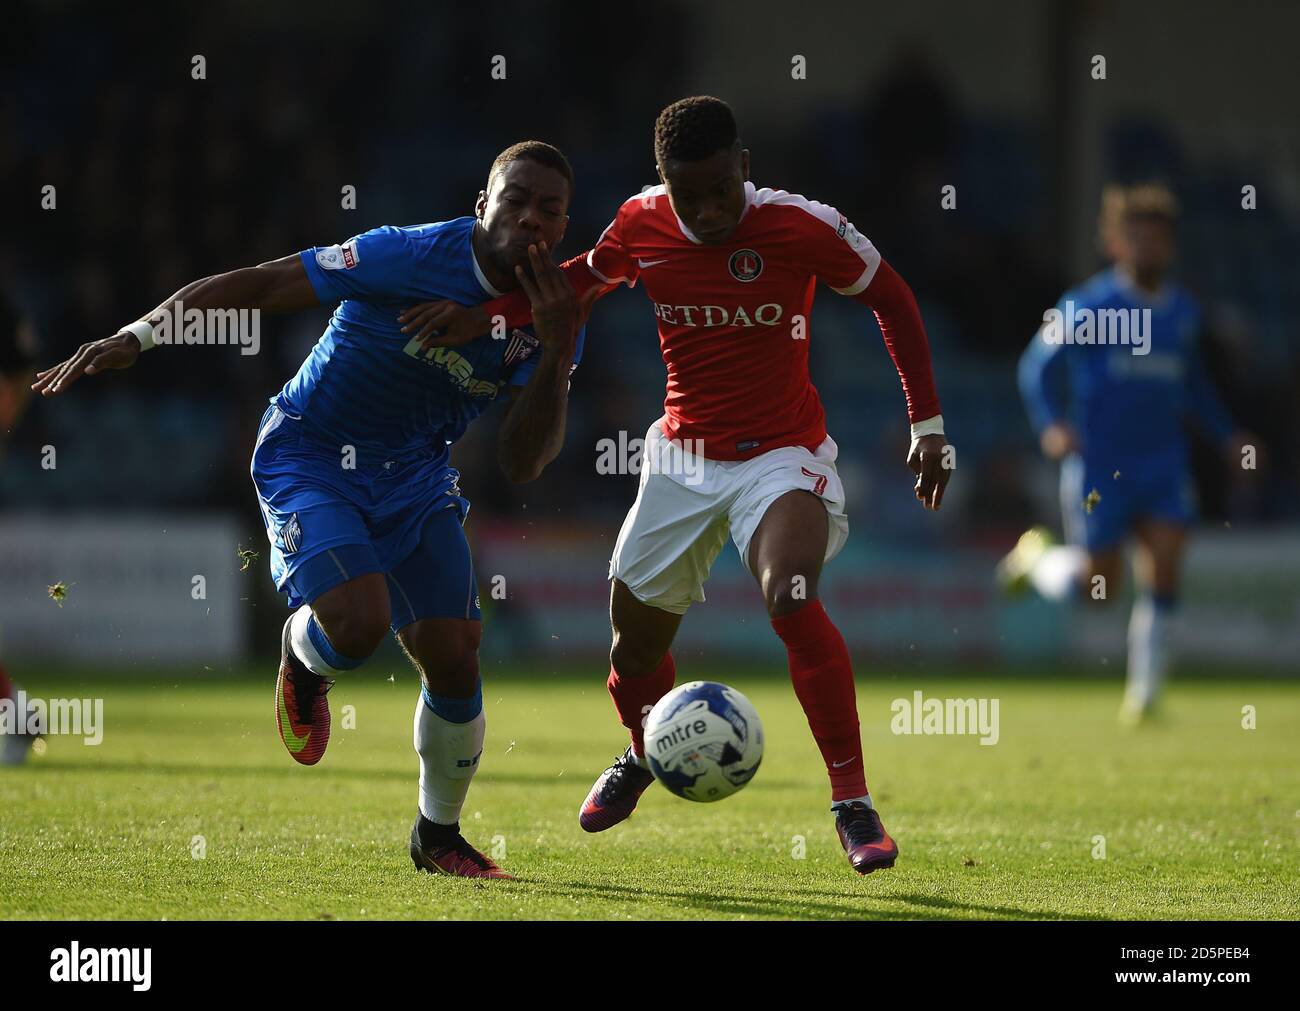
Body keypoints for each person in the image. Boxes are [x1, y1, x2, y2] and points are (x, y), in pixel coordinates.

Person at [400, 97, 951, 876]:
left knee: (790, 594)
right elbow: (578, 283)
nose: (708, 210)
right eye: (689, 196)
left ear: (745, 170)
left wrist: (927, 428)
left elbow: (892, 299)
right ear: (665, 185)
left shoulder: (803, 225)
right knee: (634, 642)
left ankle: (852, 804)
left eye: (722, 189)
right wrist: (483, 317)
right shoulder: (641, 223)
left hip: (782, 452)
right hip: (683, 460)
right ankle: (644, 751)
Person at [31, 141, 590, 877]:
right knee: (357, 623)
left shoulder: (556, 311)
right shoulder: (405, 254)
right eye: (514, 200)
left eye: (549, 210)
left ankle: (438, 835)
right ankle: (302, 659)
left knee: (455, 655)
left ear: (566, 224)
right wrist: (142, 333)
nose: (530, 221)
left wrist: (552, 356)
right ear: (482, 205)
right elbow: (264, 286)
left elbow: (522, 462)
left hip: (417, 478)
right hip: (313, 450)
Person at [1004, 182, 1252, 724]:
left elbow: (1193, 387)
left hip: (1163, 463)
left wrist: (1229, 434)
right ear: (1116, 244)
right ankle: (1040, 560)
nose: (1149, 249)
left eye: (1158, 239)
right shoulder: (1087, 305)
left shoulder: (1184, 311)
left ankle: (1145, 694)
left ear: (1172, 245)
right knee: (1100, 588)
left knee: (1165, 564)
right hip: (1099, 466)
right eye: (1137, 238)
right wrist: (1053, 425)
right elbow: (1035, 368)